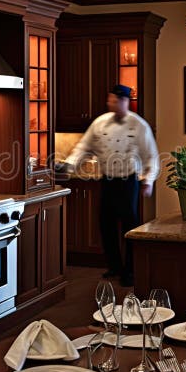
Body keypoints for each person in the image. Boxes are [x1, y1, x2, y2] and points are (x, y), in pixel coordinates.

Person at [63, 84, 160, 286]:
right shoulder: (100, 123)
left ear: (126, 101)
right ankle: (115, 267)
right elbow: (84, 147)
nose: (111, 103)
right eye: (110, 100)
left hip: (128, 181)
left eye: (116, 100)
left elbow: (151, 155)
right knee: (106, 225)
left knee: (129, 228)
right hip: (107, 180)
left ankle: (131, 271)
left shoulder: (138, 125)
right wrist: (69, 166)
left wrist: (148, 180)